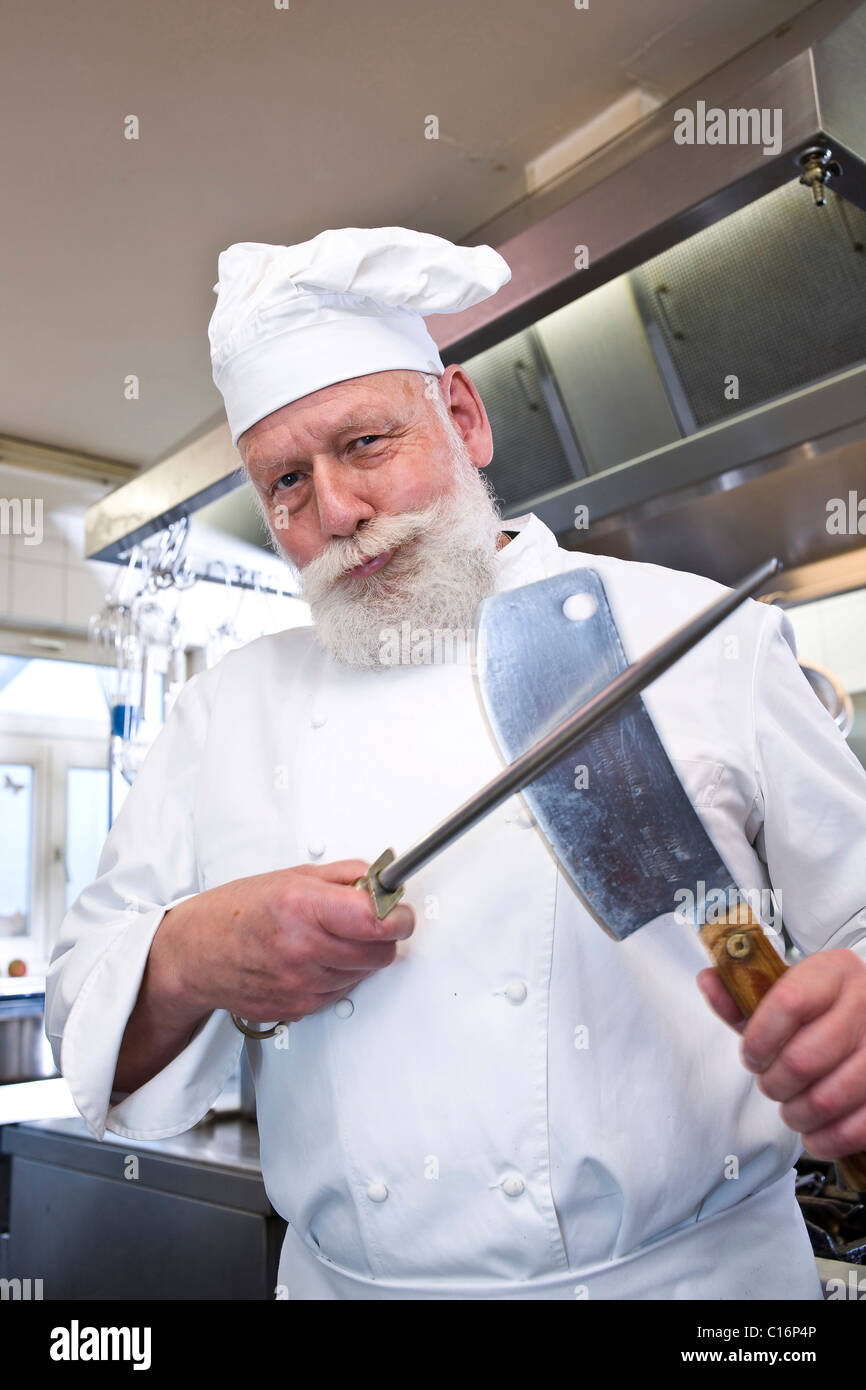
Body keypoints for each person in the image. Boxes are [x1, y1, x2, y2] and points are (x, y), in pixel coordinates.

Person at [47, 227, 866, 1300]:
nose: (336, 511)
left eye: (366, 444)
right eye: (286, 482)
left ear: (463, 417)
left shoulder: (703, 637)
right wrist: (192, 952)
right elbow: (83, 1007)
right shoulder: (225, 712)